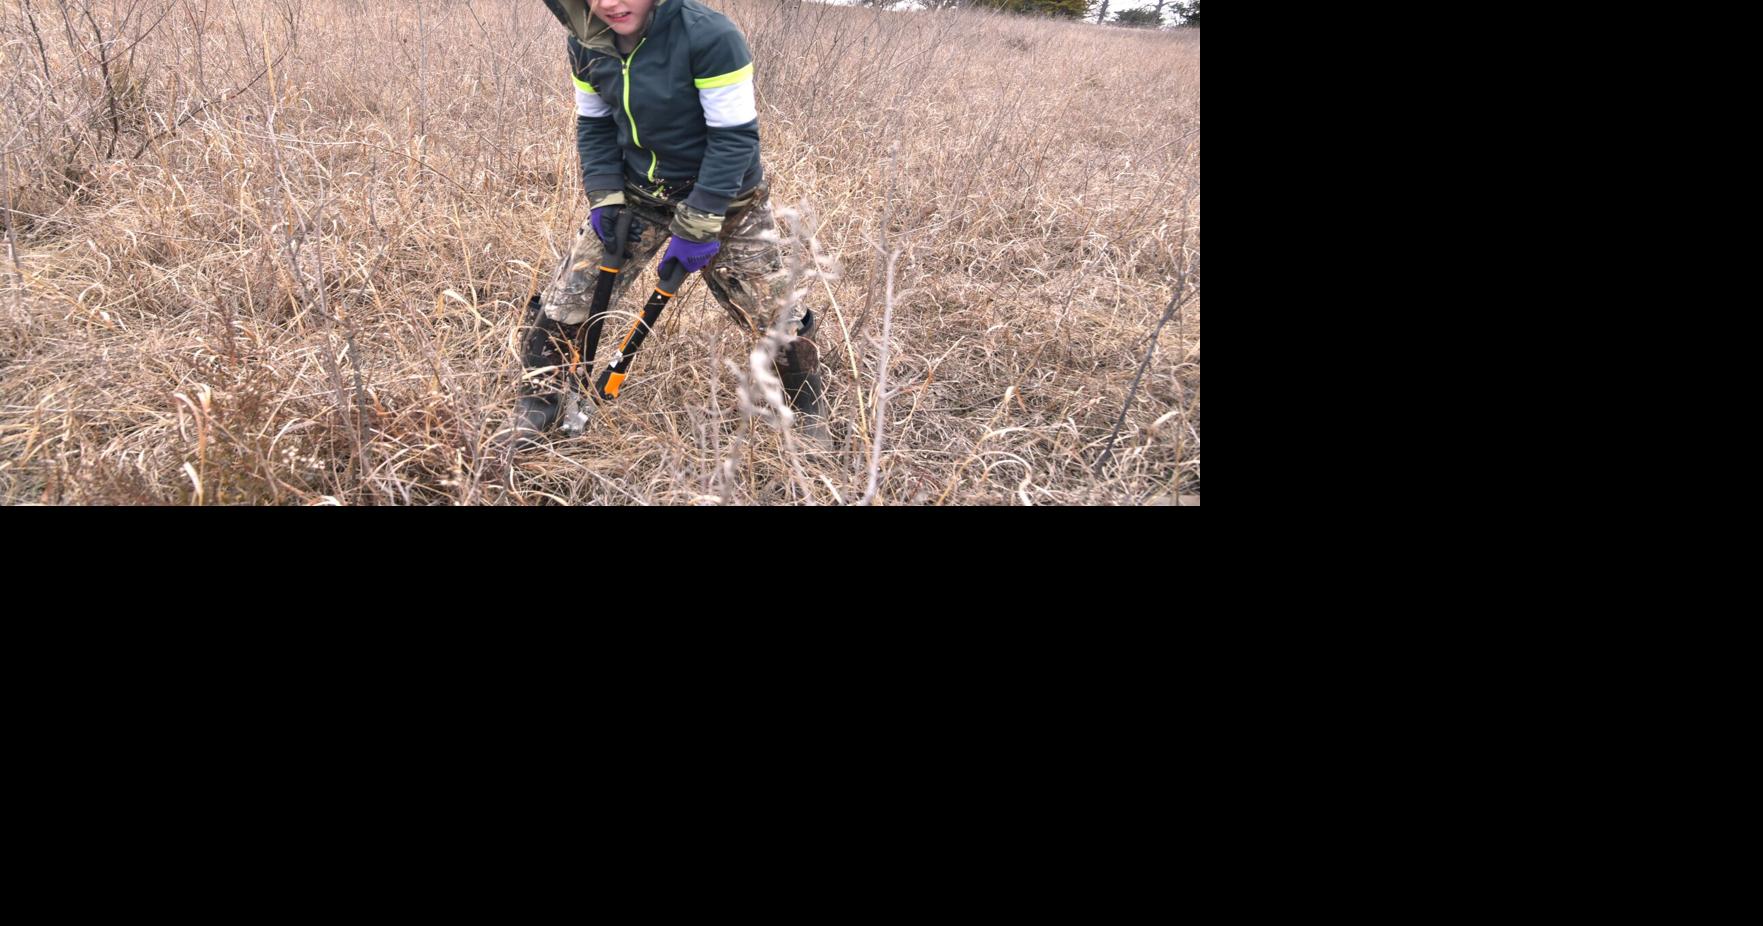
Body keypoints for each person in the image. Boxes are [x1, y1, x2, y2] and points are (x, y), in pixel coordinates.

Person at [514, 0, 828, 446]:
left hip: (728, 198)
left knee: (775, 316)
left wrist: (702, 221)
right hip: (638, 192)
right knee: (568, 298)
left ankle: (807, 409)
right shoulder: (585, 41)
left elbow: (734, 139)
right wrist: (604, 195)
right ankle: (538, 402)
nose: (608, 4)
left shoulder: (711, 37)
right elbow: (595, 123)